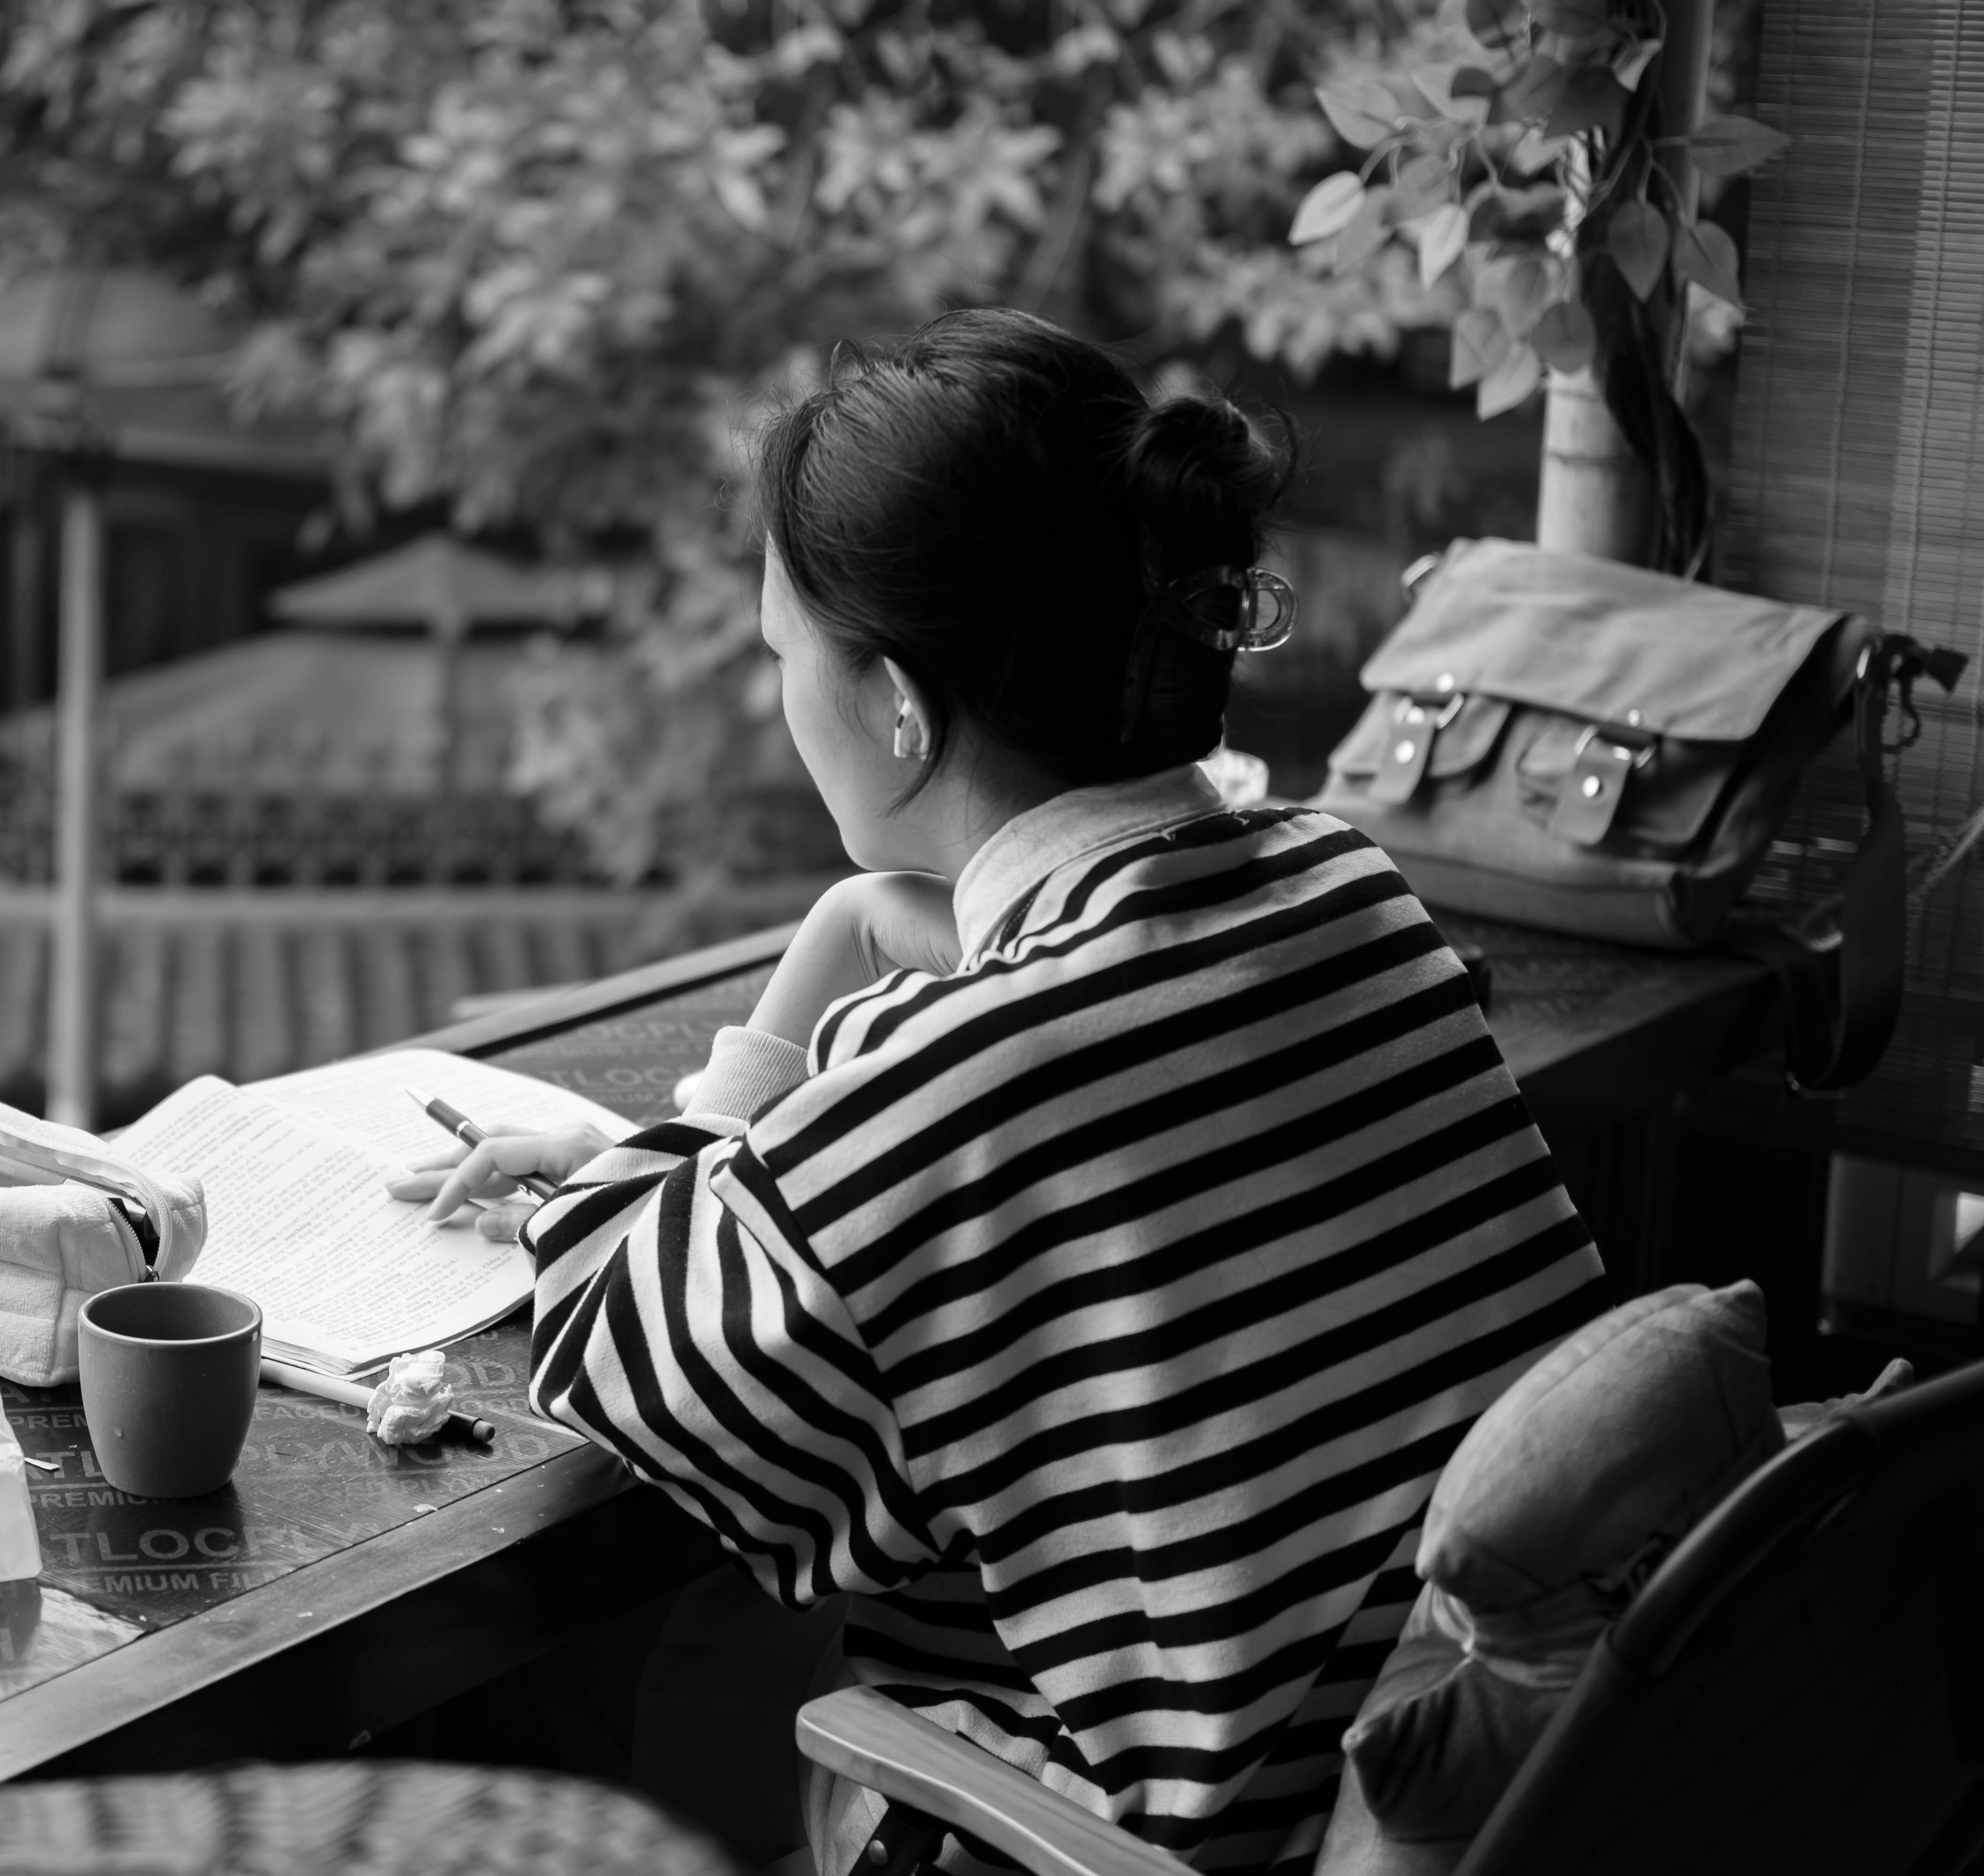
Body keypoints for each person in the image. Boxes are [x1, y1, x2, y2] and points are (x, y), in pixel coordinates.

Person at [393, 308, 1603, 1874]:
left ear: (898, 701)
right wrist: (878, 952)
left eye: (782, 658)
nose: (781, 701)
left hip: (1149, 1836)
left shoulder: (972, 1066)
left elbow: (618, 1329)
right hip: (1498, 1782)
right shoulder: (1343, 886)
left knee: (538, 1723)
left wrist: (812, 971)